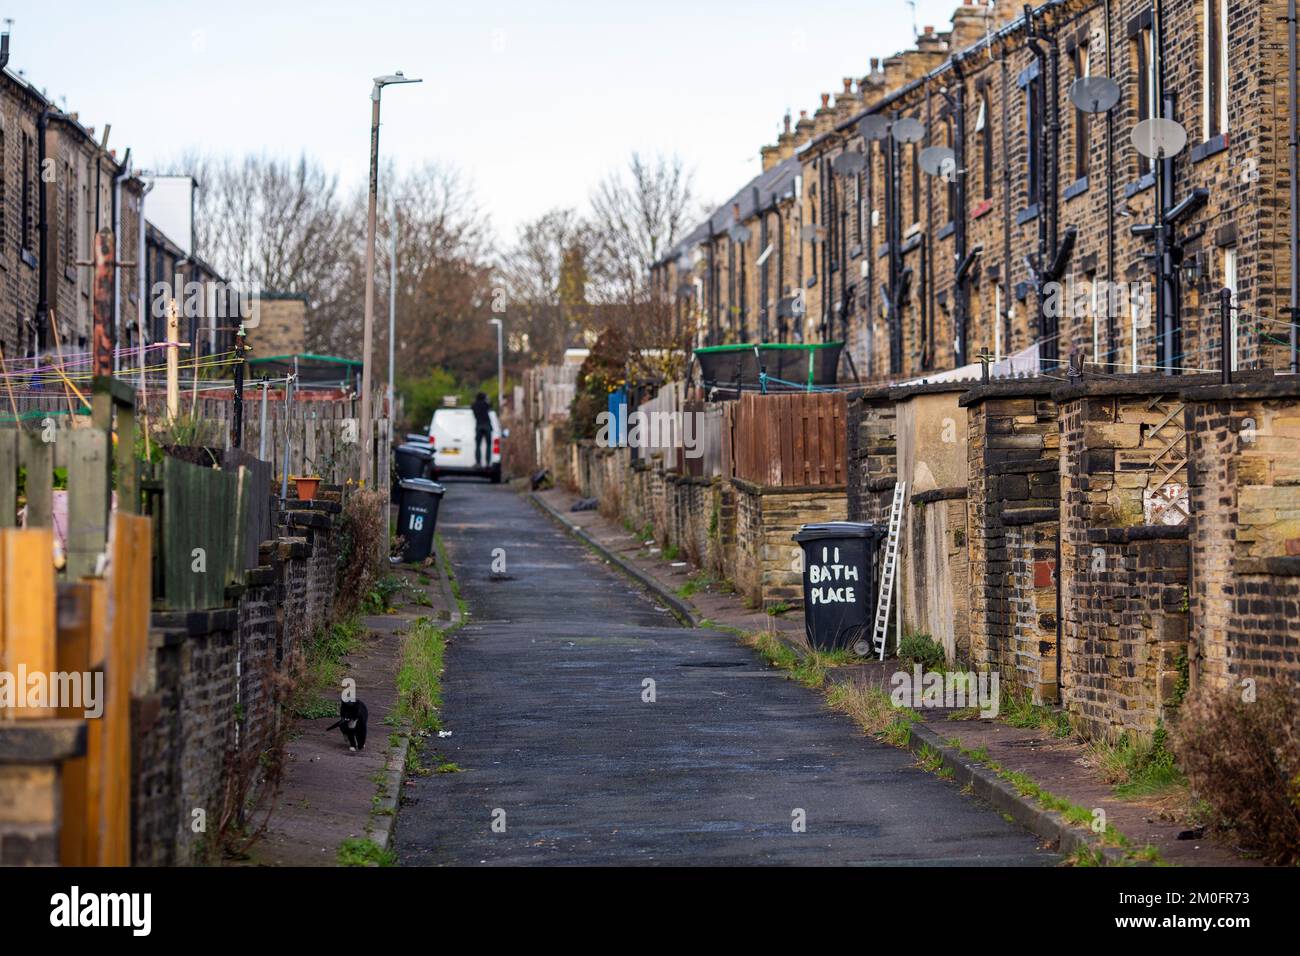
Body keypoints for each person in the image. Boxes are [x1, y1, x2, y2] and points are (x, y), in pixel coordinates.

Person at [471, 391, 493, 467]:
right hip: (487, 425)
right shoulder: (485, 404)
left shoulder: (474, 405)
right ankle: (488, 463)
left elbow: (473, 409)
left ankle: (478, 463)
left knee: (478, 445)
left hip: (479, 425)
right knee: (488, 445)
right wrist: (488, 399)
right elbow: (490, 405)